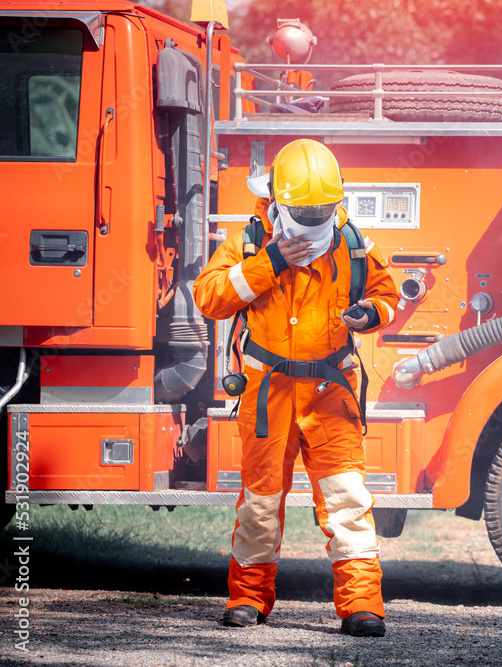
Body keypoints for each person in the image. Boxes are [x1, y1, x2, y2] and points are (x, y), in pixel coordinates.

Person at [194, 138, 399, 637]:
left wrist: (370, 313)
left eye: (321, 210)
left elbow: (387, 295)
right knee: (260, 502)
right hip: (268, 393)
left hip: (329, 392)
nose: (313, 218)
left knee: (348, 499)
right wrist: (272, 262)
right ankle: (248, 599)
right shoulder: (249, 243)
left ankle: (361, 605)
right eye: (304, 210)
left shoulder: (352, 244)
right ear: (277, 202)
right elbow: (209, 297)